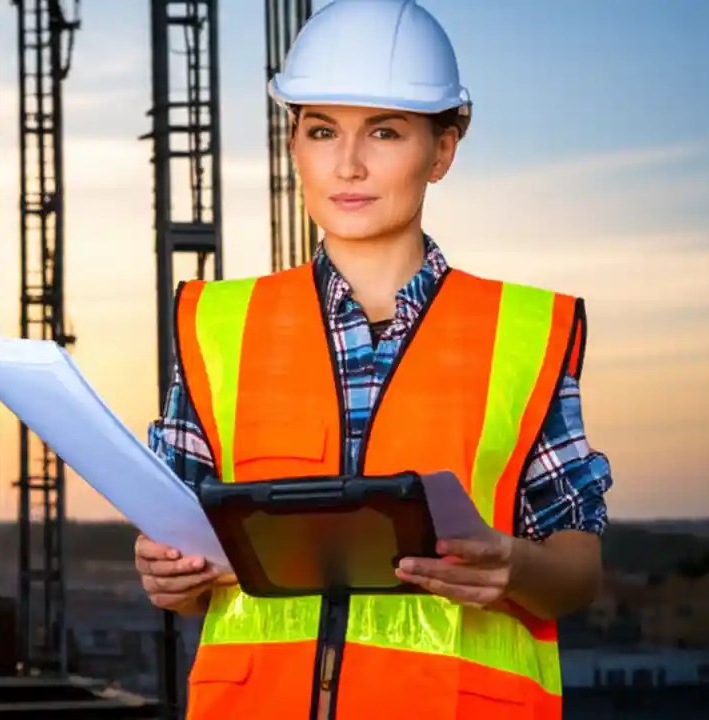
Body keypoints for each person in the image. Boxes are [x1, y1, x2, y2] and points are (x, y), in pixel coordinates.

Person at [134, 1, 613, 718]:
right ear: (293, 143)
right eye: (321, 130)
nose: (348, 164)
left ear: (443, 150)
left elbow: (577, 572)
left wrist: (515, 566)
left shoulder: (523, 332)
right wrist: (170, 575)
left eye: (384, 132)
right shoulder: (216, 326)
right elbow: (189, 567)